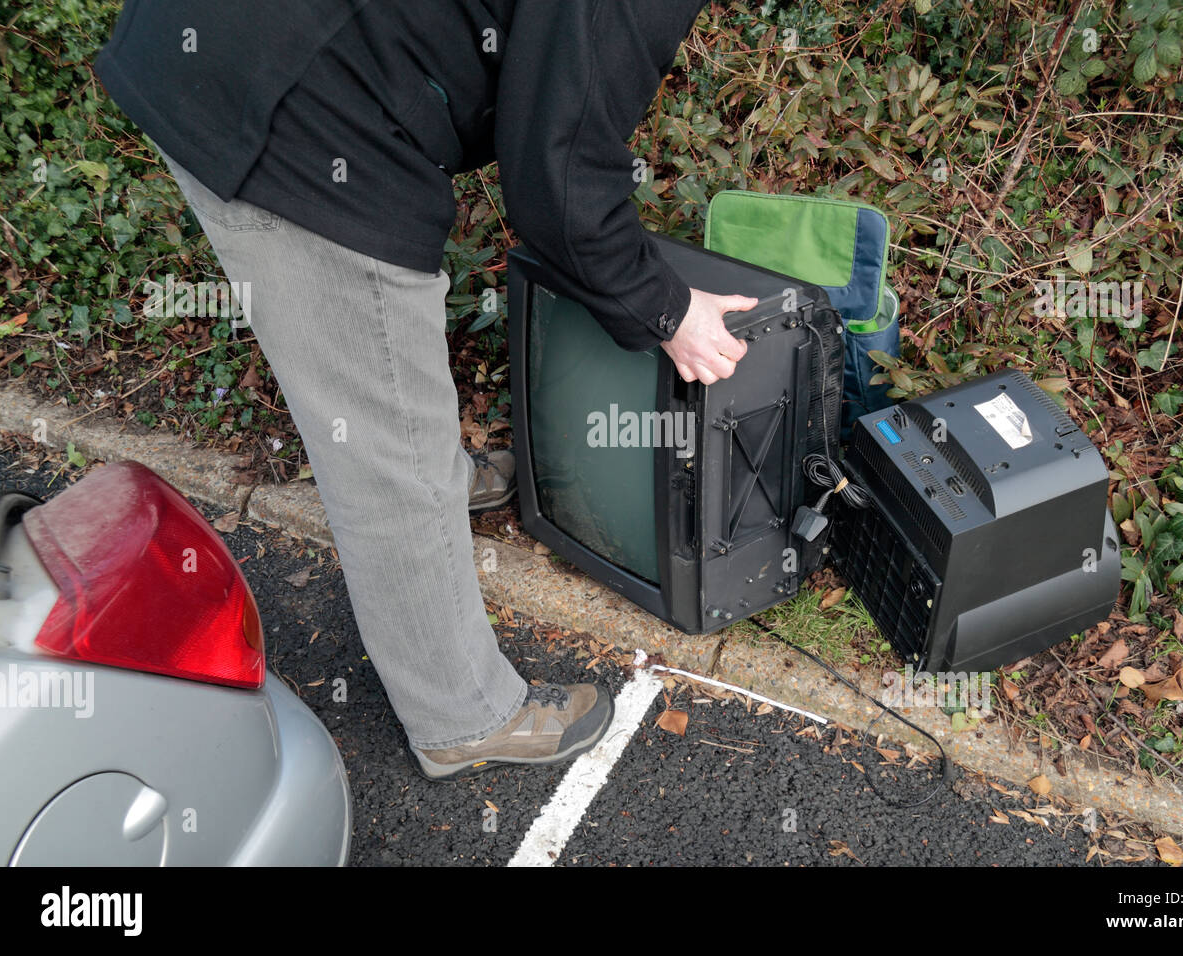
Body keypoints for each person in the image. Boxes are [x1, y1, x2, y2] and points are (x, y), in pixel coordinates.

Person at [94, 0, 758, 780]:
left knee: (380, 378)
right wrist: (668, 311)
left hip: (221, 47)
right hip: (296, 107)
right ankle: (461, 714)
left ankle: (436, 479)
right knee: (384, 449)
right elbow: (560, 183)